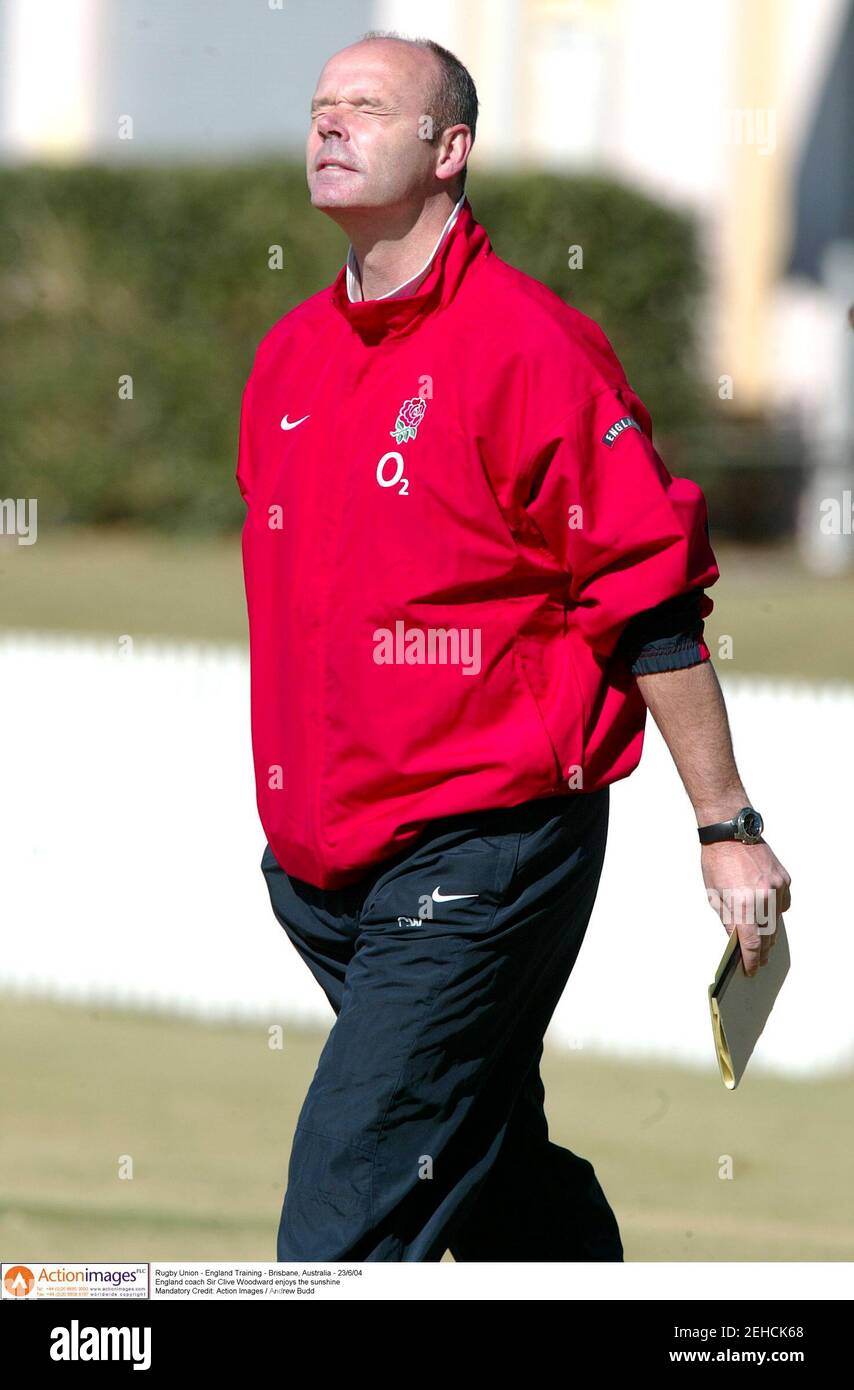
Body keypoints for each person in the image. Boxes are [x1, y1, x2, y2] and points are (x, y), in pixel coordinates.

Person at [235, 31, 792, 1262]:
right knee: (484, 1165)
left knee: (348, 1199)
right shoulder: (288, 355)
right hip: (323, 868)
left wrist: (724, 826)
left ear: (450, 151)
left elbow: (648, 599)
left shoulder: (529, 345)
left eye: (367, 108)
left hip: (481, 844)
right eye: (321, 106)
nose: (329, 126)